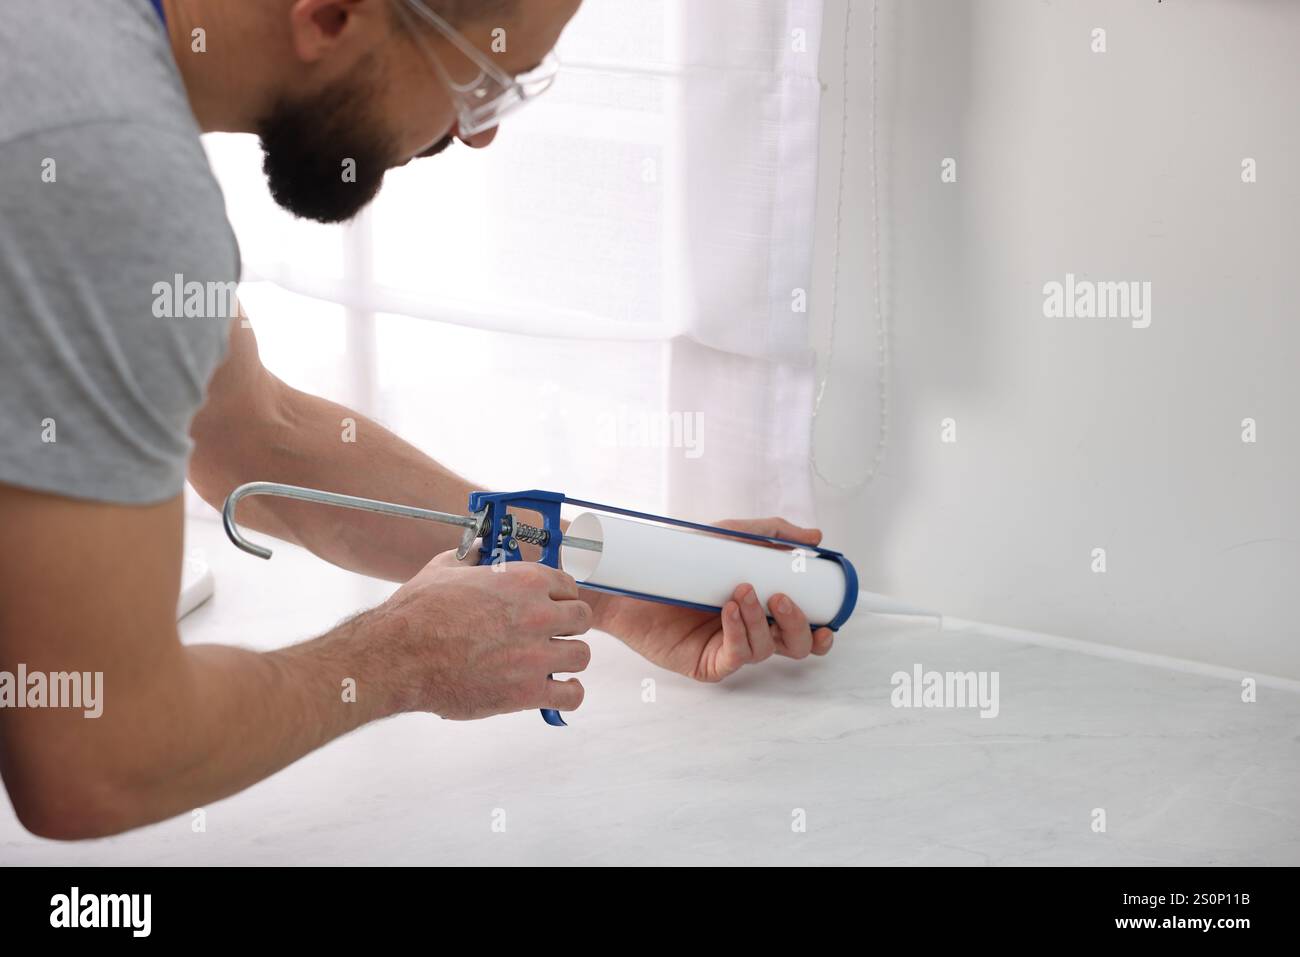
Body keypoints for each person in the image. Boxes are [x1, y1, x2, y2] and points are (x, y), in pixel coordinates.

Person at [0, 0, 834, 840]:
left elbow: (252, 434)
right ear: (331, 17)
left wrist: (597, 574)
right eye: (477, 83)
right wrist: (400, 659)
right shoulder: (103, 171)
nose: (478, 137)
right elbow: (100, 754)